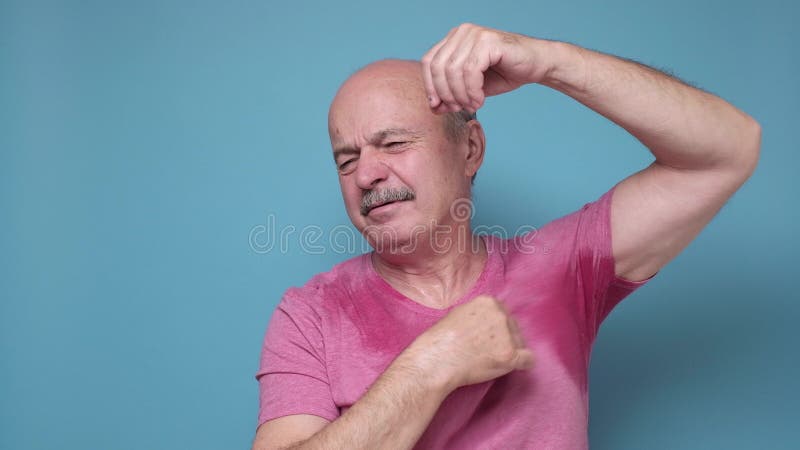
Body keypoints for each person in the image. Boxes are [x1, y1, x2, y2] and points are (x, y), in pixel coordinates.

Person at [251, 23, 760, 450]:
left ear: (469, 149)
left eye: (395, 143)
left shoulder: (559, 268)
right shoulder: (309, 316)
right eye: (347, 159)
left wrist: (549, 62)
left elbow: (728, 150)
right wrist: (431, 366)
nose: (367, 175)